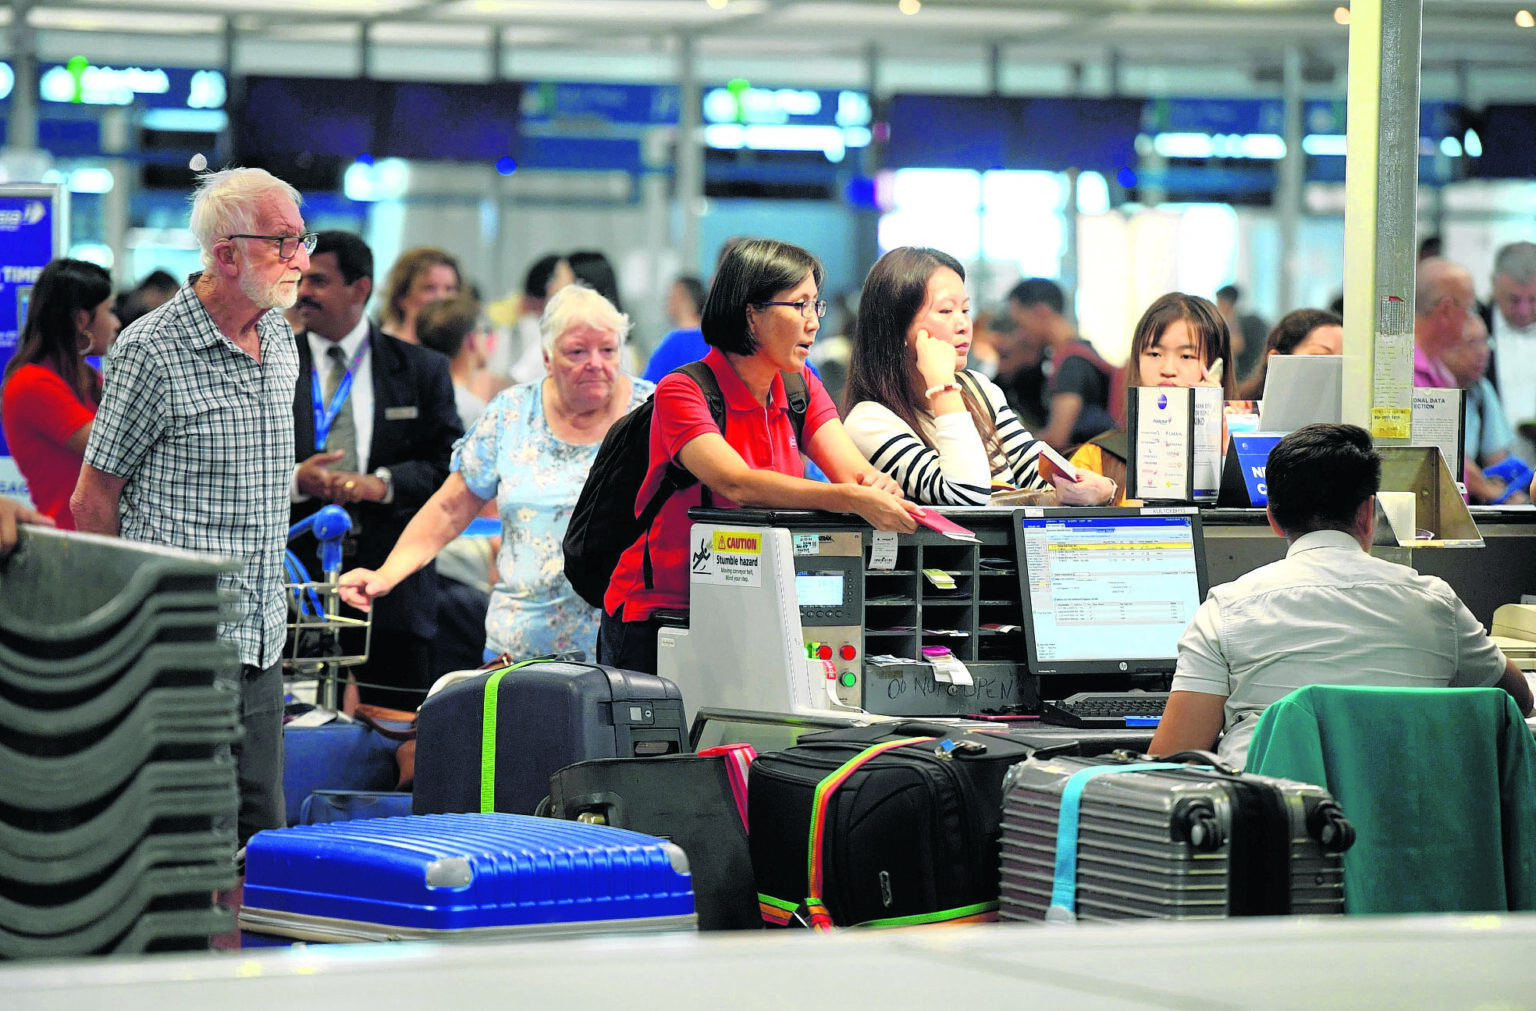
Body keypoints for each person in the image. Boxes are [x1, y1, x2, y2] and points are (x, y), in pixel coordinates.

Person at [72, 166, 309, 843]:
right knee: (188, 839)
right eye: (281, 242)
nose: (299, 258)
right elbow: (95, 498)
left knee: (264, 837)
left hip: (262, 638)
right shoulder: (152, 349)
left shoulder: (280, 338)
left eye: (302, 239)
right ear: (224, 254)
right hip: (180, 643)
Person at [597, 238, 921, 676]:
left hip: (755, 605)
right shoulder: (683, 391)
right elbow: (736, 483)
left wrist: (874, 487)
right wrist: (847, 497)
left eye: (816, 306)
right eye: (799, 305)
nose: (813, 323)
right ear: (751, 313)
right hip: (661, 617)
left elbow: (855, 474)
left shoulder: (800, 385)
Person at [1149, 423, 1532, 767]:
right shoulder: (1436, 604)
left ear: (1273, 519)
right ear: (1368, 514)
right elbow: (1519, 700)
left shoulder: (1226, 609)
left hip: (1278, 834)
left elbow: (1168, 763)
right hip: (1413, 836)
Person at [338, 284, 654, 663]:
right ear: (547, 358)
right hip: (517, 645)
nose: (595, 363)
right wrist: (387, 575)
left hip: (622, 647)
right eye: (577, 351)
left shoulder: (651, 413)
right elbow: (449, 509)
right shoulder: (512, 412)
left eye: (608, 350)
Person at [290, 230, 463, 711]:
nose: (304, 292)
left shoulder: (421, 369)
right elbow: (245, 458)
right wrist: (295, 477)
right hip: (297, 580)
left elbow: (450, 465)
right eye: (301, 279)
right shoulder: (273, 364)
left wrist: (382, 485)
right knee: (296, 725)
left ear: (360, 288)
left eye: (319, 281)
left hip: (392, 583)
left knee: (401, 732)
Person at [842, 247, 1115, 507]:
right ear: (896, 326)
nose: (963, 325)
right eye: (946, 311)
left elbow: (1039, 474)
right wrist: (941, 386)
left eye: (965, 310)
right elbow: (967, 494)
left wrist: (1100, 488)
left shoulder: (978, 388)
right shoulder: (870, 422)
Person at [1069, 292, 1235, 504]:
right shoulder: (1098, 457)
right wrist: (1108, 498)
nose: (1167, 369)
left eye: (1186, 356)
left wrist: (1210, 436)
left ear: (1216, 370)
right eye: (1154, 354)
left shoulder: (1238, 457)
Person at [1, 258, 119, 528]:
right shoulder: (31, 385)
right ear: (81, 320)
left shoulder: (90, 381)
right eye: (109, 311)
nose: (116, 323)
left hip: (100, 543)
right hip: (70, 547)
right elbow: (112, 447)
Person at [1007, 278, 1117, 450]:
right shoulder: (1077, 353)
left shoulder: (1072, 363)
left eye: (1020, 323)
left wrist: (1004, 443)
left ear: (1040, 312)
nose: (1021, 334)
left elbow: (1057, 438)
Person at [1442, 312, 1528, 505]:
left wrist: (1508, 493)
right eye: (1472, 343)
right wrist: (1491, 492)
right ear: (1444, 346)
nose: (1483, 353)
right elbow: (1449, 460)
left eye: (1485, 342)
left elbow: (1497, 460)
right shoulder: (1428, 390)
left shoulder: (1482, 391)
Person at [1482, 241, 1536, 455]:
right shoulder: (1473, 329)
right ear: (1495, 285)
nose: (1523, 311)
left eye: (1533, 300)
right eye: (1514, 300)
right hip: (1488, 467)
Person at [418, 294, 490, 433]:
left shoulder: (419, 399)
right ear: (471, 340)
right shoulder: (475, 411)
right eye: (484, 331)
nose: (487, 338)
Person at [1235, 307, 1343, 401]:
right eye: (1321, 356)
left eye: (1342, 359)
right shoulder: (1241, 415)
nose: (1337, 368)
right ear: (1276, 358)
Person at [1413, 257, 1476, 389]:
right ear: (1446, 311)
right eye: (1468, 309)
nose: (1470, 320)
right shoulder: (1403, 373)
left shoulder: (1439, 367)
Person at [378, 246, 461, 345]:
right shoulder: (385, 350)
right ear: (401, 296)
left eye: (449, 289)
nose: (441, 297)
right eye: (429, 288)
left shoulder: (458, 350)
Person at [642, 275, 708, 382]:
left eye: (670, 297)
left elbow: (648, 384)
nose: (666, 303)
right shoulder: (716, 339)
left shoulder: (674, 341)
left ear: (682, 298)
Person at [1215, 284, 1269, 386]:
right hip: (1256, 373)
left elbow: (1237, 346)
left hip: (1247, 376)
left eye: (1219, 302)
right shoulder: (1252, 319)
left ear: (1227, 303)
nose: (1218, 307)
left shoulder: (1240, 320)